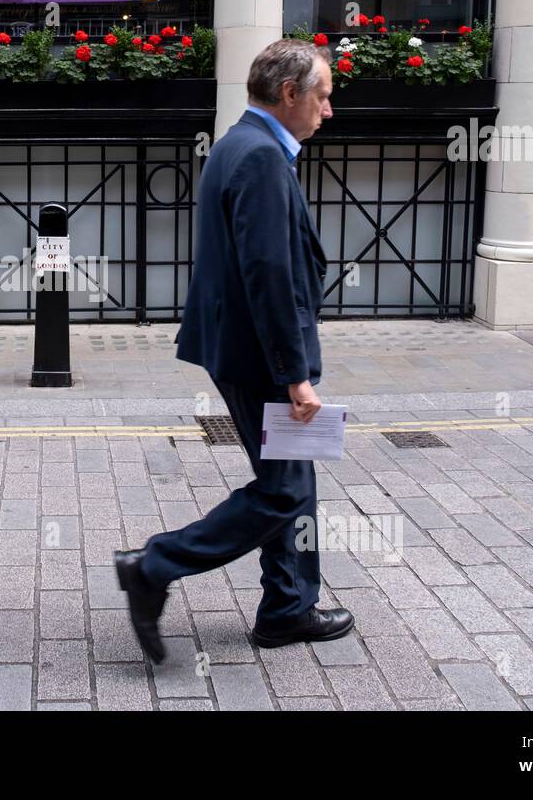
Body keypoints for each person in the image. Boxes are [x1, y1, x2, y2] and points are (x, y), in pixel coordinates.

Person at [114, 38, 354, 663]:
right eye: (323, 96)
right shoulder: (260, 158)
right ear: (290, 93)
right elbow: (268, 273)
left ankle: (287, 609)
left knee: (292, 483)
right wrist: (295, 375)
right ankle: (154, 565)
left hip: (246, 349)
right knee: (281, 492)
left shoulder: (239, 144)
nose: (329, 111)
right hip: (261, 358)